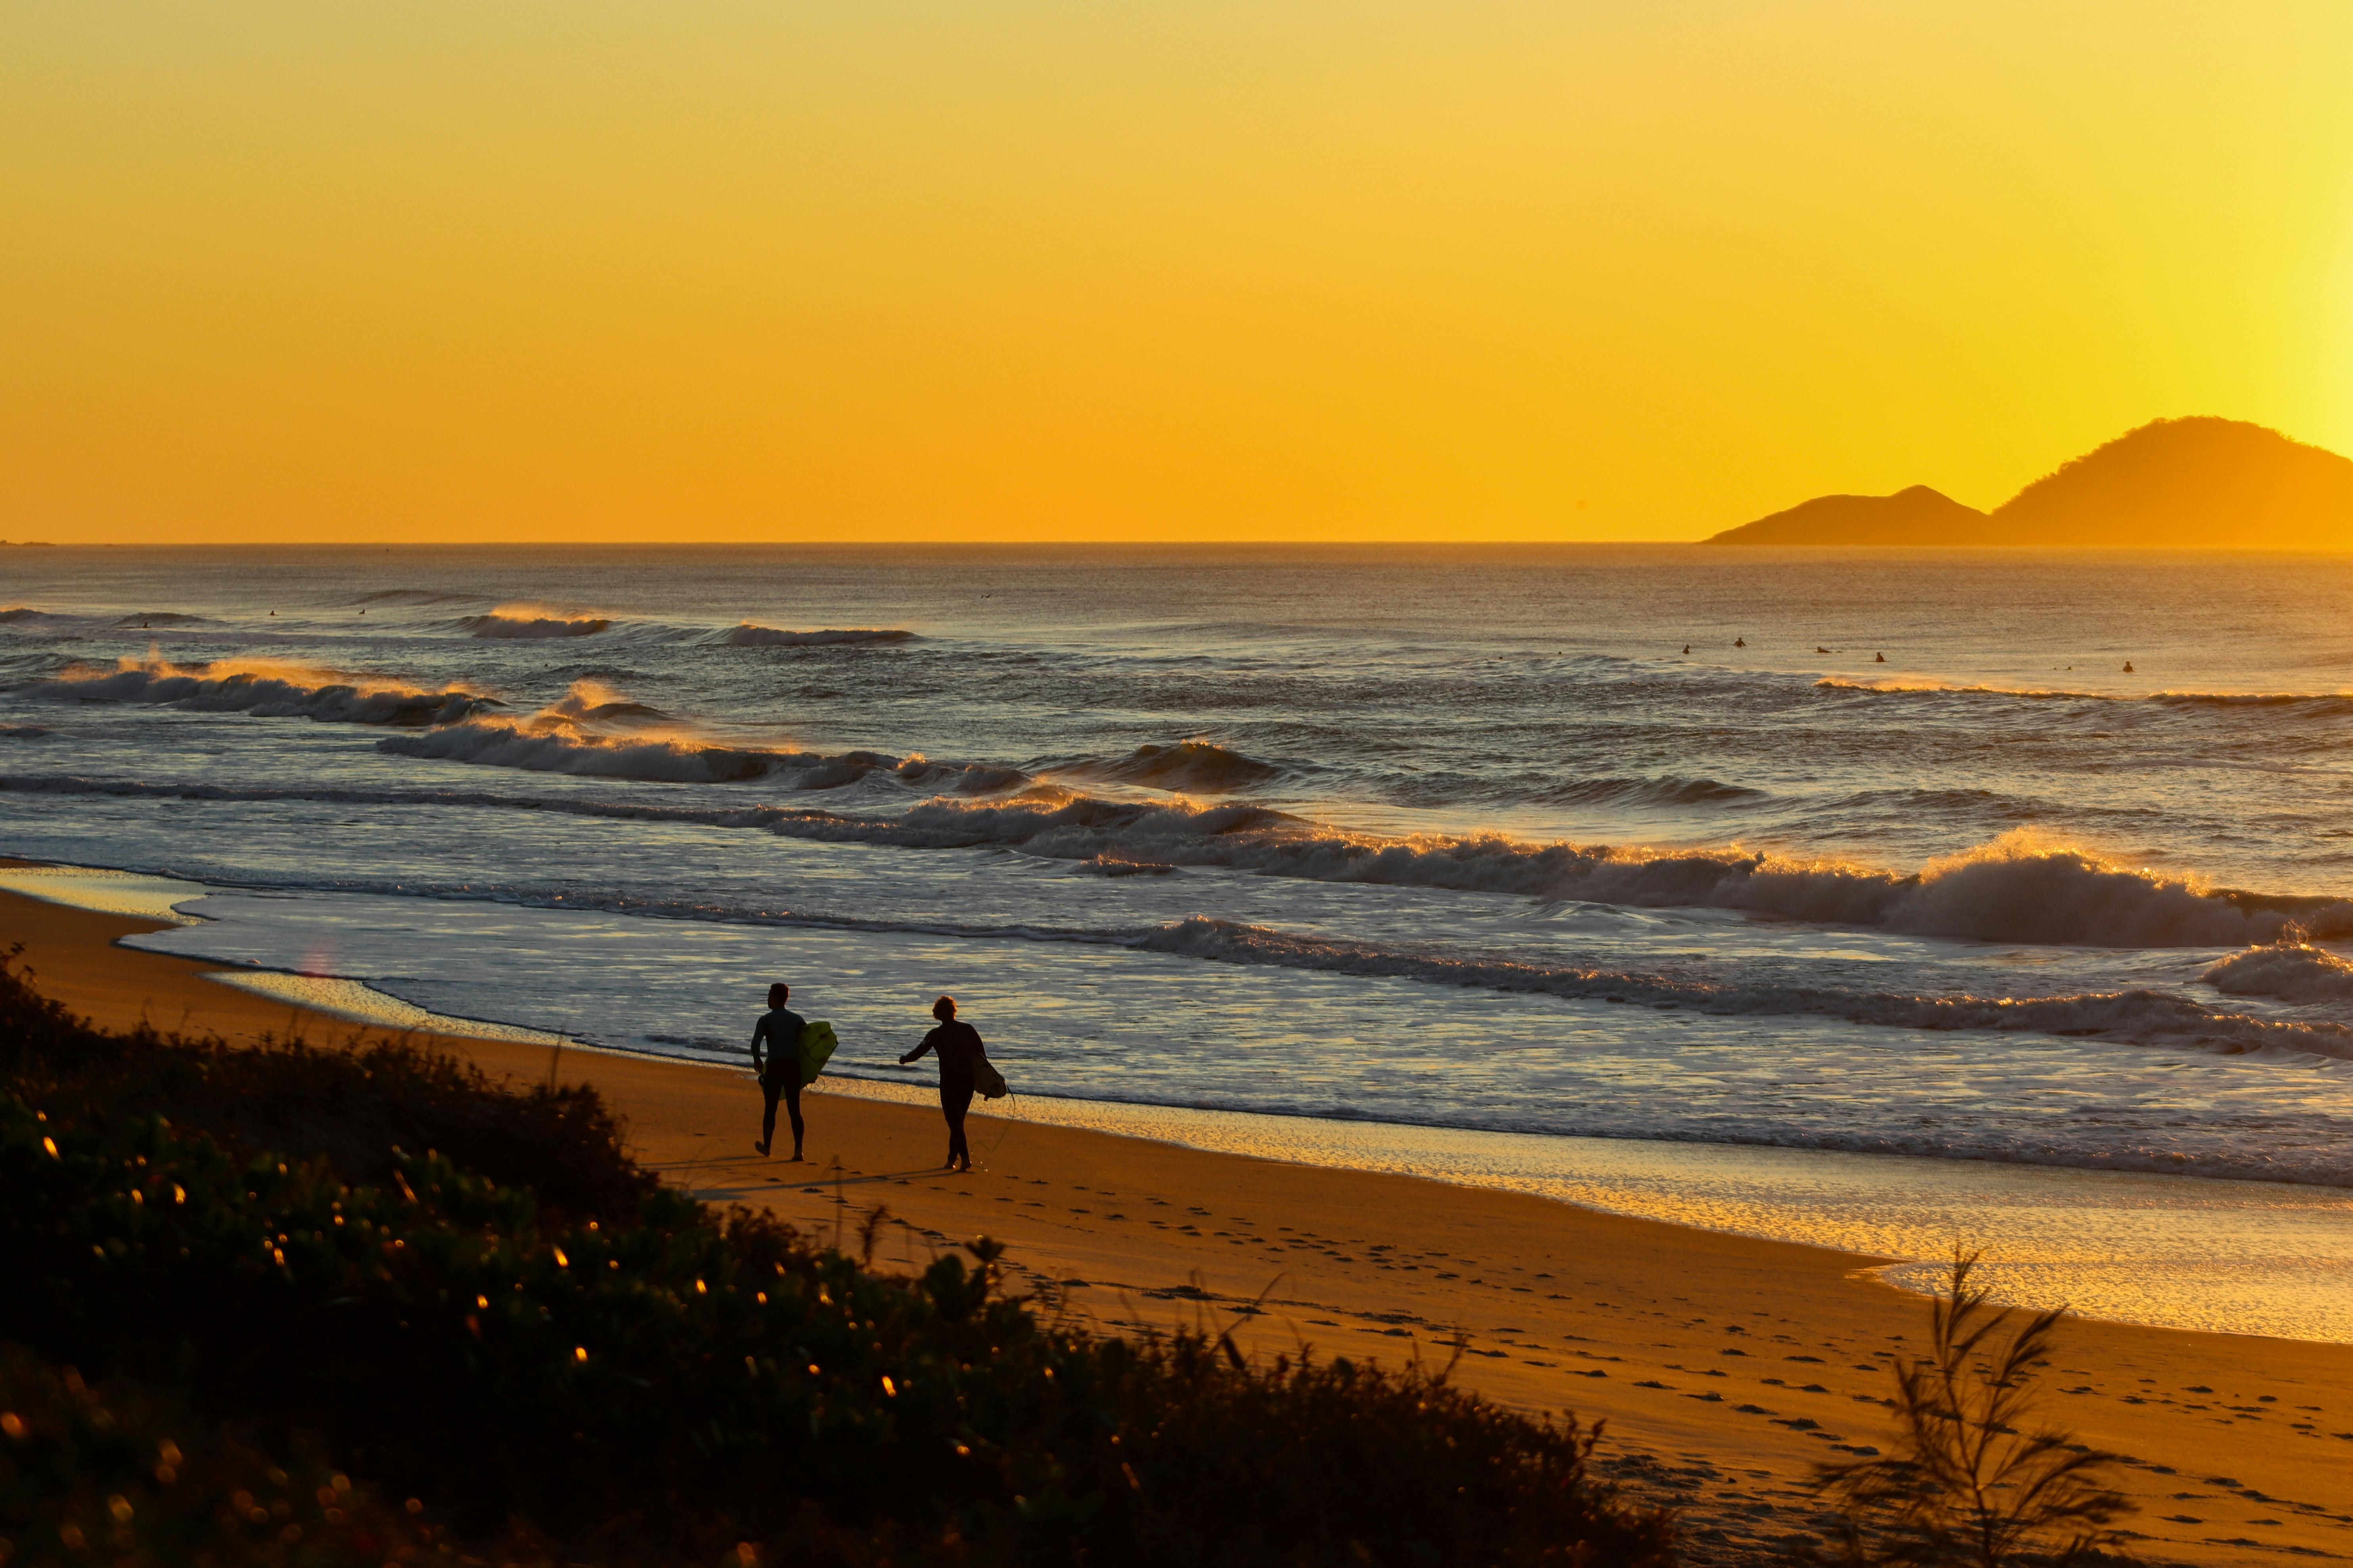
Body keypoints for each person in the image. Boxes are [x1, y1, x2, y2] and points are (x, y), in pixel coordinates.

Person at [900, 995, 987, 1172]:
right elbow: (982, 1060)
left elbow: (919, 1052)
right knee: (958, 1122)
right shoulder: (969, 1030)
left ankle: (965, 1159)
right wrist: (987, 1085)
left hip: (950, 1082)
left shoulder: (936, 1034)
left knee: (954, 1122)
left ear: (938, 1015)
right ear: (954, 1011)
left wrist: (905, 1059)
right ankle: (950, 1161)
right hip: (967, 1081)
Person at [749, 982, 807, 1160]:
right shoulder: (798, 1020)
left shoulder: (766, 1020)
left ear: (774, 998)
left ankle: (767, 1147)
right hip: (793, 1068)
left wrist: (757, 1059)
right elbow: (807, 1048)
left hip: (775, 1067)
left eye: (768, 995)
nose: (768, 999)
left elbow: (755, 1043)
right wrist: (811, 1072)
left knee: (771, 1109)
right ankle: (799, 1150)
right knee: (795, 1110)